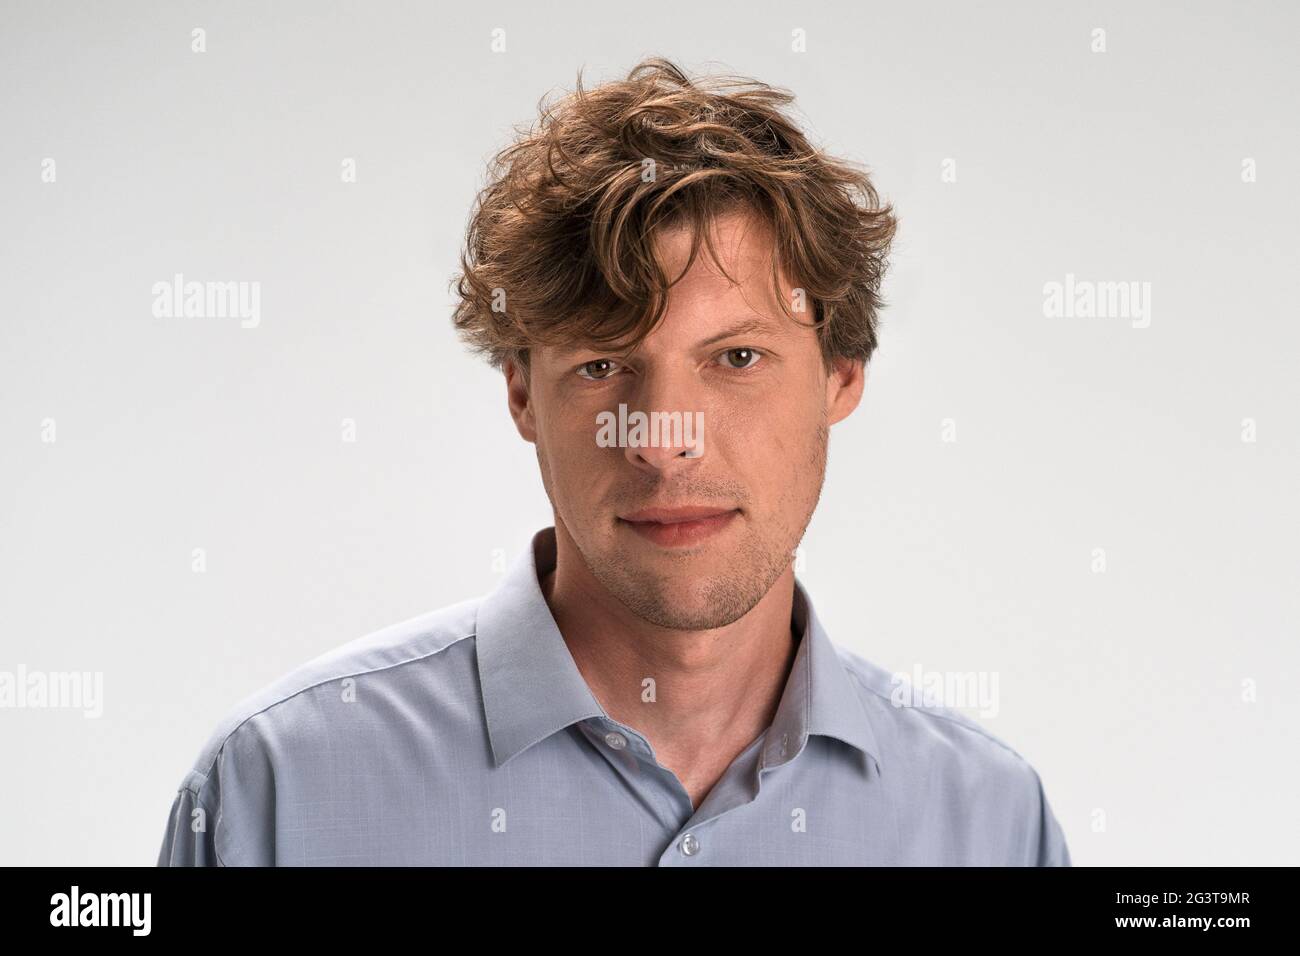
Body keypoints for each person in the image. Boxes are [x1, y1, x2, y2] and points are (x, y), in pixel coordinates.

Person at [157, 56, 1069, 866]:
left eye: (738, 359)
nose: (666, 438)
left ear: (840, 377)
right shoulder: (281, 793)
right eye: (603, 366)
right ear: (522, 394)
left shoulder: (989, 824)